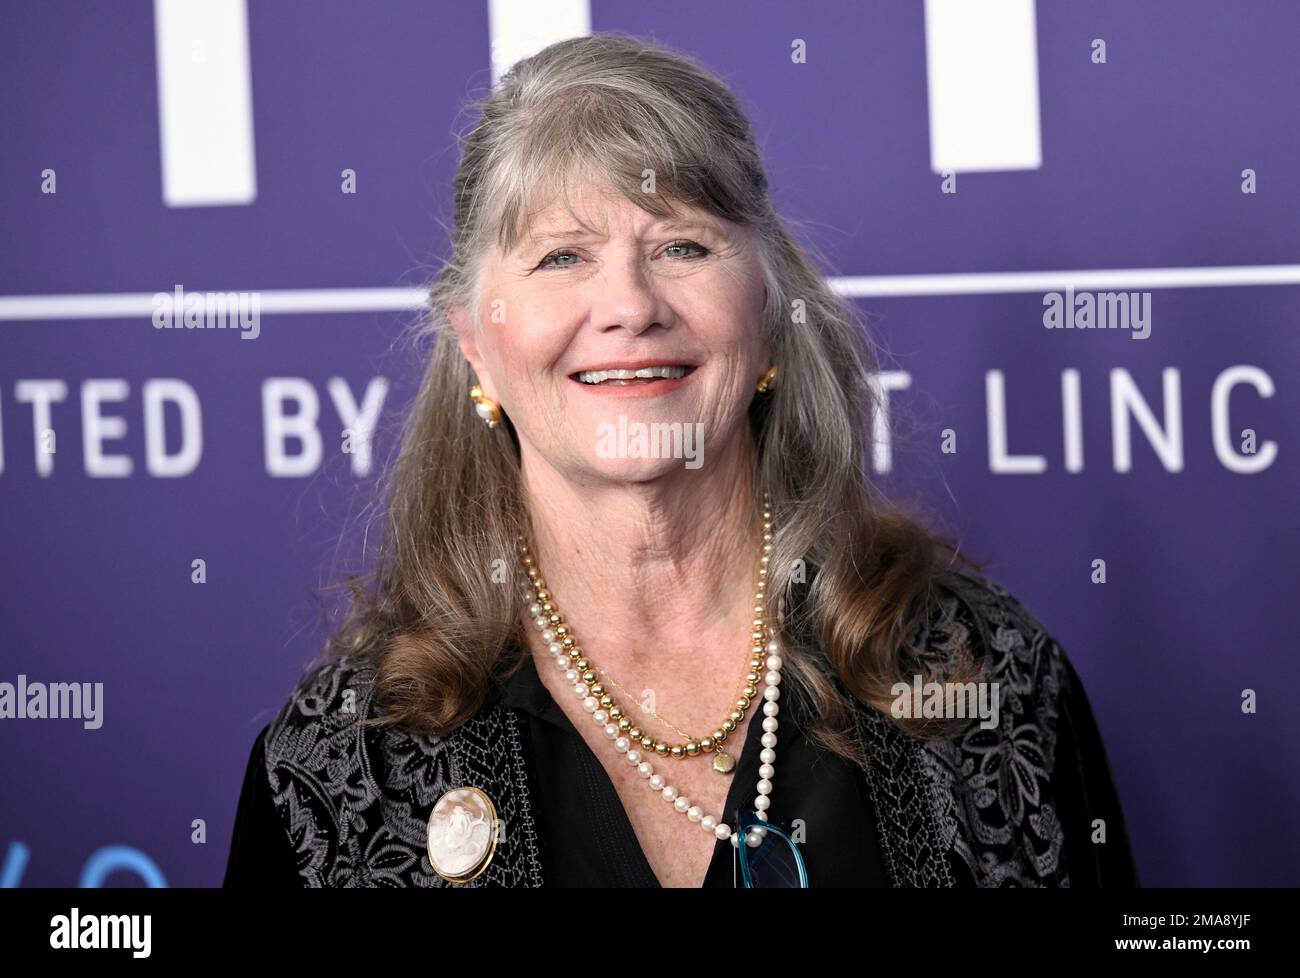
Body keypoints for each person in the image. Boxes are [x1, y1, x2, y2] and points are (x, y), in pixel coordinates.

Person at [224, 32, 1138, 888]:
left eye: (682, 246)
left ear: (770, 308)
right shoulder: (338, 767)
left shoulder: (986, 683)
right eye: (560, 257)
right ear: (474, 342)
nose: (628, 303)